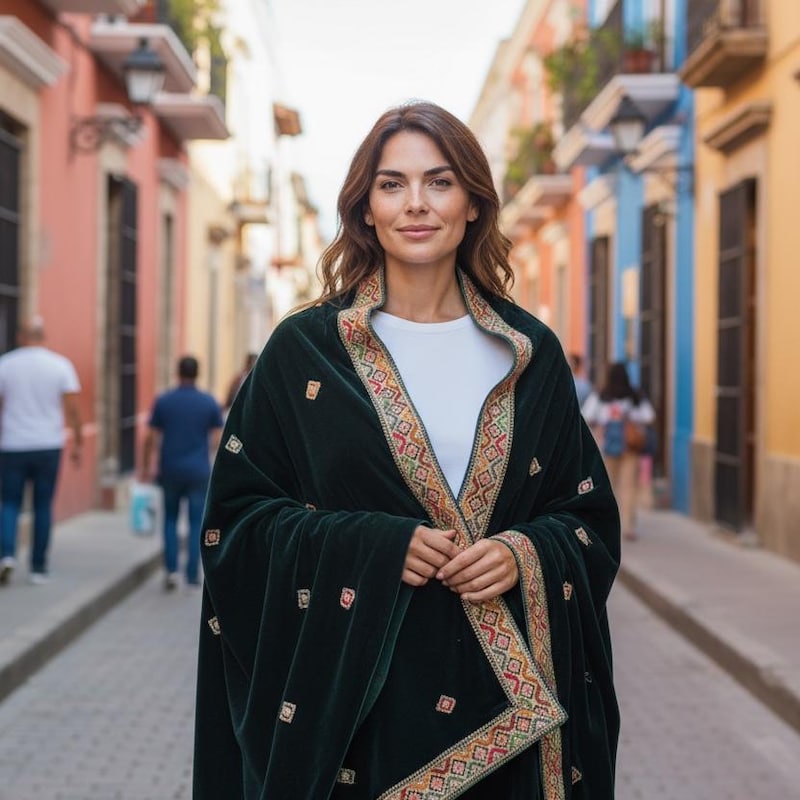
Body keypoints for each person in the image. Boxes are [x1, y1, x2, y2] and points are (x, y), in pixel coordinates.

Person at [194, 101, 620, 798]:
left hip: (513, 720)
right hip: (359, 715)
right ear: (365, 209)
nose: (416, 204)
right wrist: (377, 544)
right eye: (392, 184)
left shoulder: (529, 353)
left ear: (474, 204)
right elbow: (235, 522)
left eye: (440, 182)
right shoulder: (304, 353)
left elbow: (586, 515)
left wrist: (524, 554)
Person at [0, 318, 82, 585]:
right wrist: (78, 442)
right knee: (42, 506)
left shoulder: (6, 364)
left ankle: (7, 556)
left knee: (10, 503)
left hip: (12, 445)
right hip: (48, 445)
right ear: (42, 336)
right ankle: (38, 567)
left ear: (21, 336)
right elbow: (72, 408)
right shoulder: (60, 366)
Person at [140, 356, 223, 591]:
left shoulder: (165, 401)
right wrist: (203, 452)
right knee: (196, 521)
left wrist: (146, 467)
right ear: (198, 373)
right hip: (198, 471)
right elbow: (217, 436)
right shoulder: (208, 402)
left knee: (170, 519)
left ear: (178, 372)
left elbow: (151, 437)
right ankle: (192, 574)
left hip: (170, 470)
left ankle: (171, 571)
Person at [582, 361, 655, 541]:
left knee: (608, 487)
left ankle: (607, 526)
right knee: (628, 487)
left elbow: (587, 415)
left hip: (606, 447)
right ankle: (628, 526)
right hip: (630, 448)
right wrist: (630, 419)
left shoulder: (602, 396)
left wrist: (603, 422)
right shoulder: (635, 396)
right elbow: (649, 416)